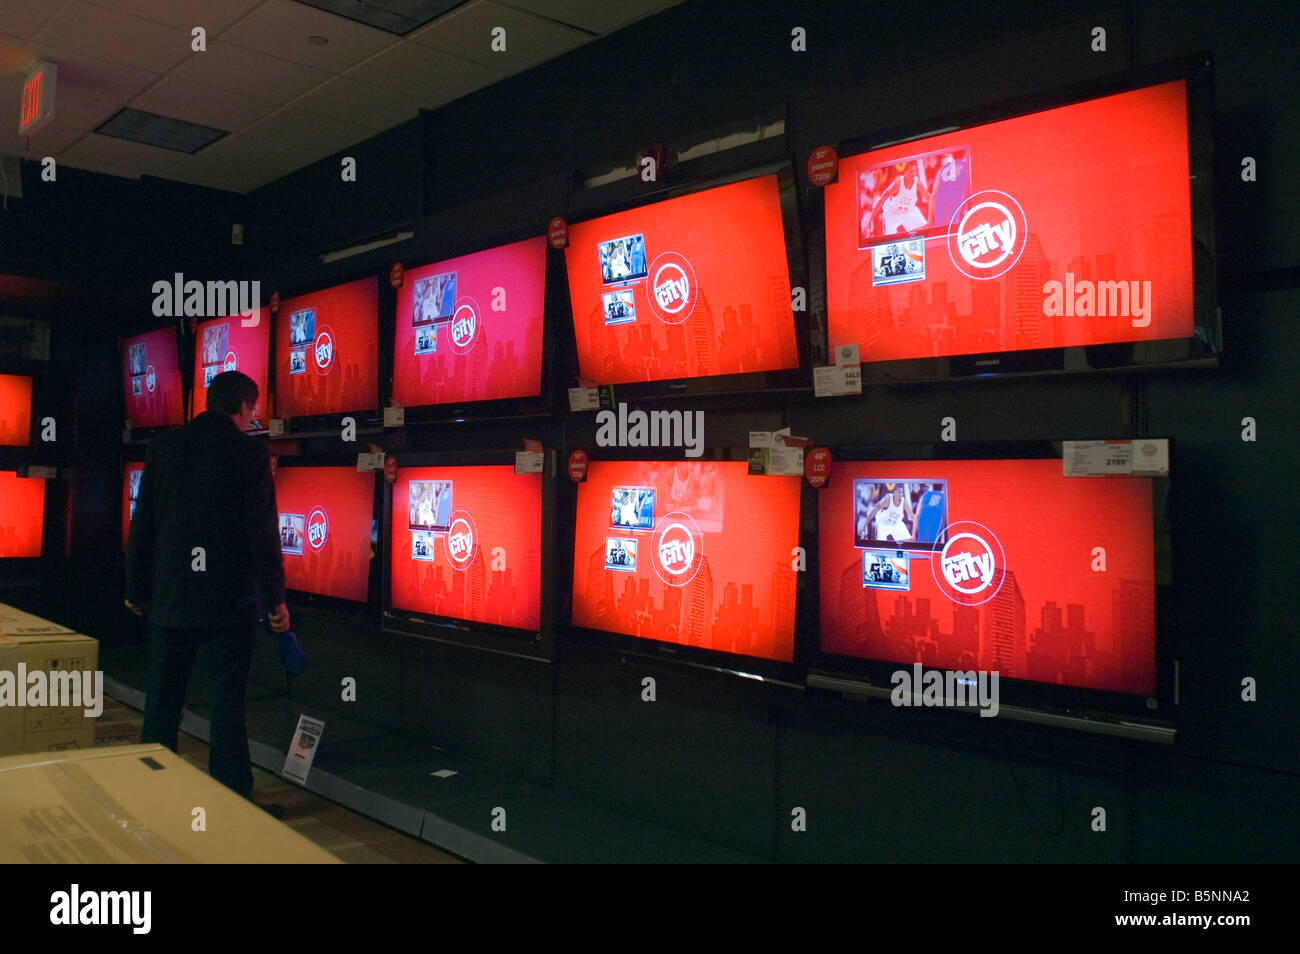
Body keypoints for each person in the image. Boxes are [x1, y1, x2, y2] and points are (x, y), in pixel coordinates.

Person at [125, 370, 289, 801]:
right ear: (241, 408)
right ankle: (232, 800)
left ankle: (152, 794)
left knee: (162, 701)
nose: (252, 418)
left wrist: (135, 587)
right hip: (227, 603)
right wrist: (275, 597)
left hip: (172, 598)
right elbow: (262, 532)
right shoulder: (249, 454)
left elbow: (144, 523)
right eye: (252, 410)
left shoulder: (164, 446)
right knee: (226, 704)